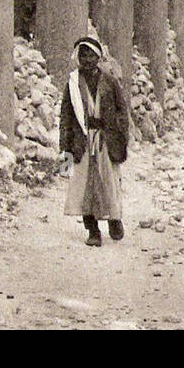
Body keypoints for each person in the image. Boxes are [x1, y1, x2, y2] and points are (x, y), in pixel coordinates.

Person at [57, 36, 130, 246]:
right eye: (83, 55)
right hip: (82, 141)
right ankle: (93, 230)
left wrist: (120, 136)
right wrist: (65, 149)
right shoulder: (72, 84)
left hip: (105, 141)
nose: (87, 60)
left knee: (109, 181)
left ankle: (114, 219)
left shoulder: (109, 80)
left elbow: (122, 110)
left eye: (91, 55)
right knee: (83, 186)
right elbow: (66, 116)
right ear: (78, 58)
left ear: (98, 57)